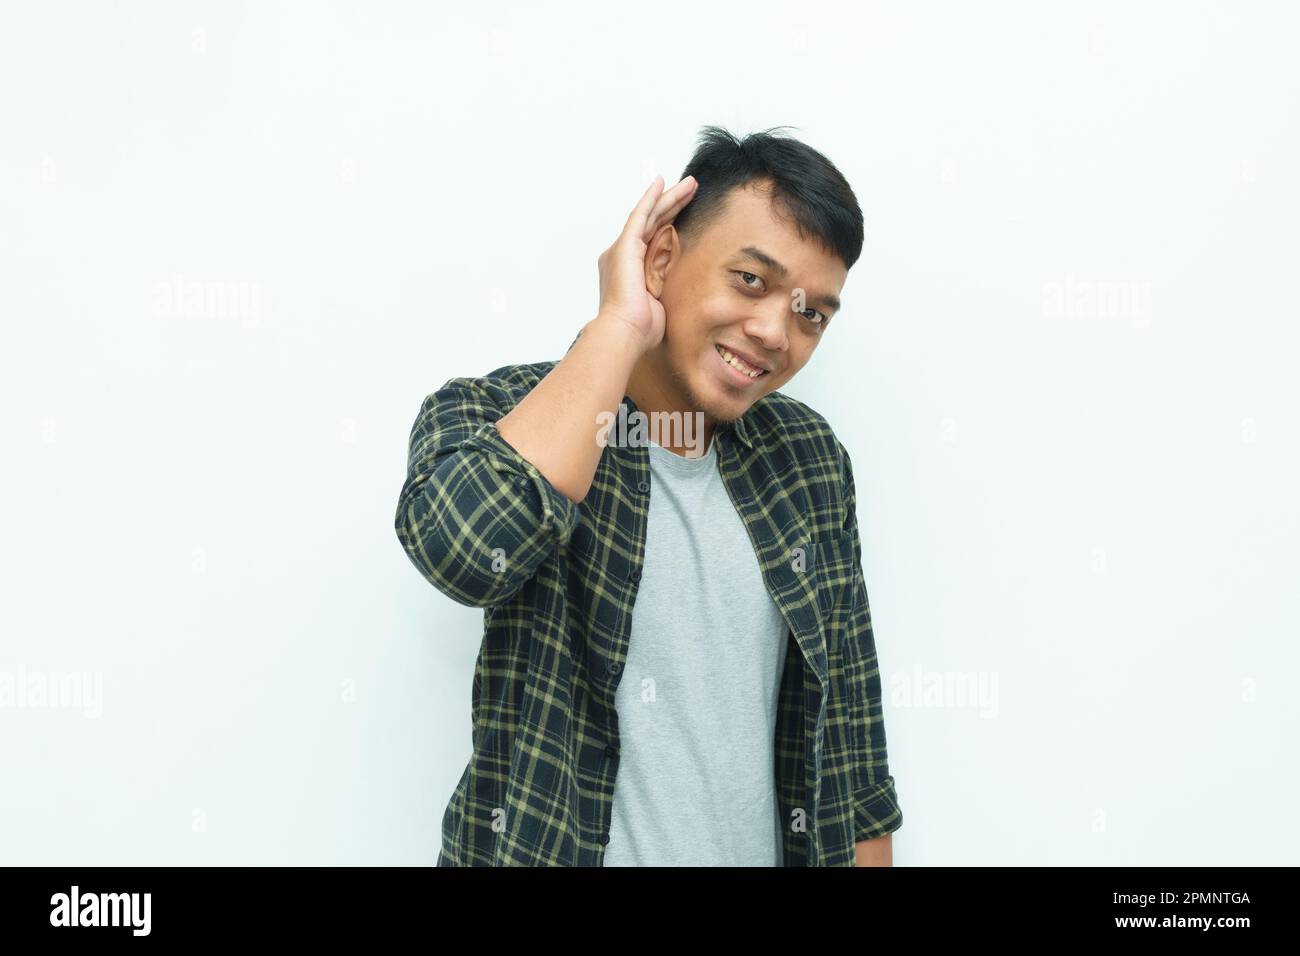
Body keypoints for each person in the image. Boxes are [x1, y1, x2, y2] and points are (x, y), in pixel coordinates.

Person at [395, 125, 902, 866]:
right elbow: (462, 553)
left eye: (810, 313)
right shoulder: (498, 414)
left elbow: (853, 756)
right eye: (750, 280)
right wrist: (619, 322)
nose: (772, 332)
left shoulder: (810, 463)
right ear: (661, 257)